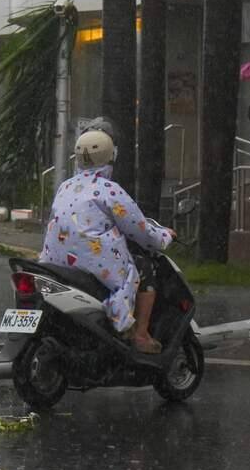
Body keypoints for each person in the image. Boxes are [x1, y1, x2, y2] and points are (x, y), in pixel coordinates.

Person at [40, 128, 175, 354]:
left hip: (54, 262)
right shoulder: (109, 190)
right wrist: (164, 236)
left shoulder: (65, 186)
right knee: (143, 270)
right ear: (110, 156)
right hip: (93, 263)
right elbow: (139, 229)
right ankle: (140, 334)